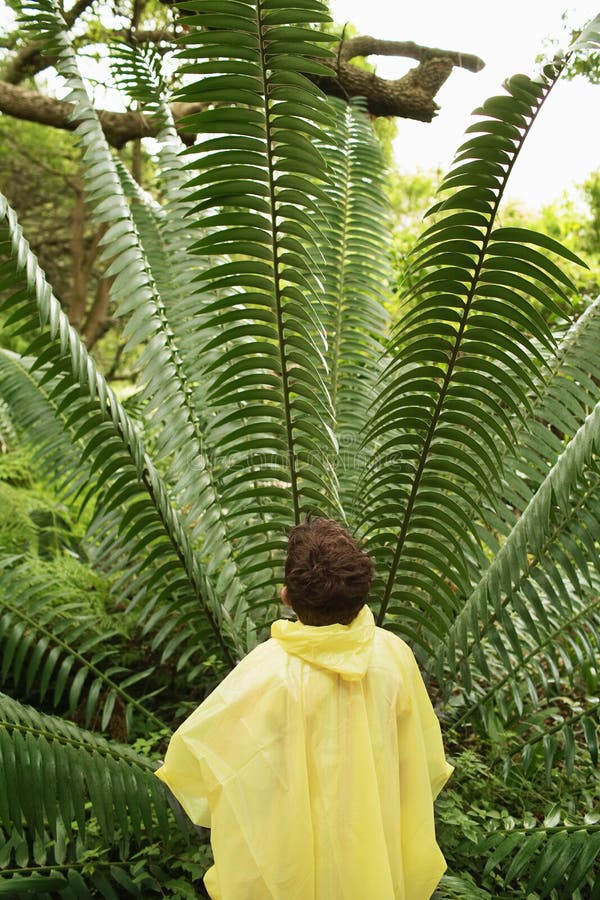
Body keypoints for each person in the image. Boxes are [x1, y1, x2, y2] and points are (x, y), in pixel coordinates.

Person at [155, 517, 453, 900]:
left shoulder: (267, 672)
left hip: (290, 869)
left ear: (286, 596)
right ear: (362, 596)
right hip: (373, 859)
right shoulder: (393, 655)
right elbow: (420, 759)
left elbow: (200, 761)